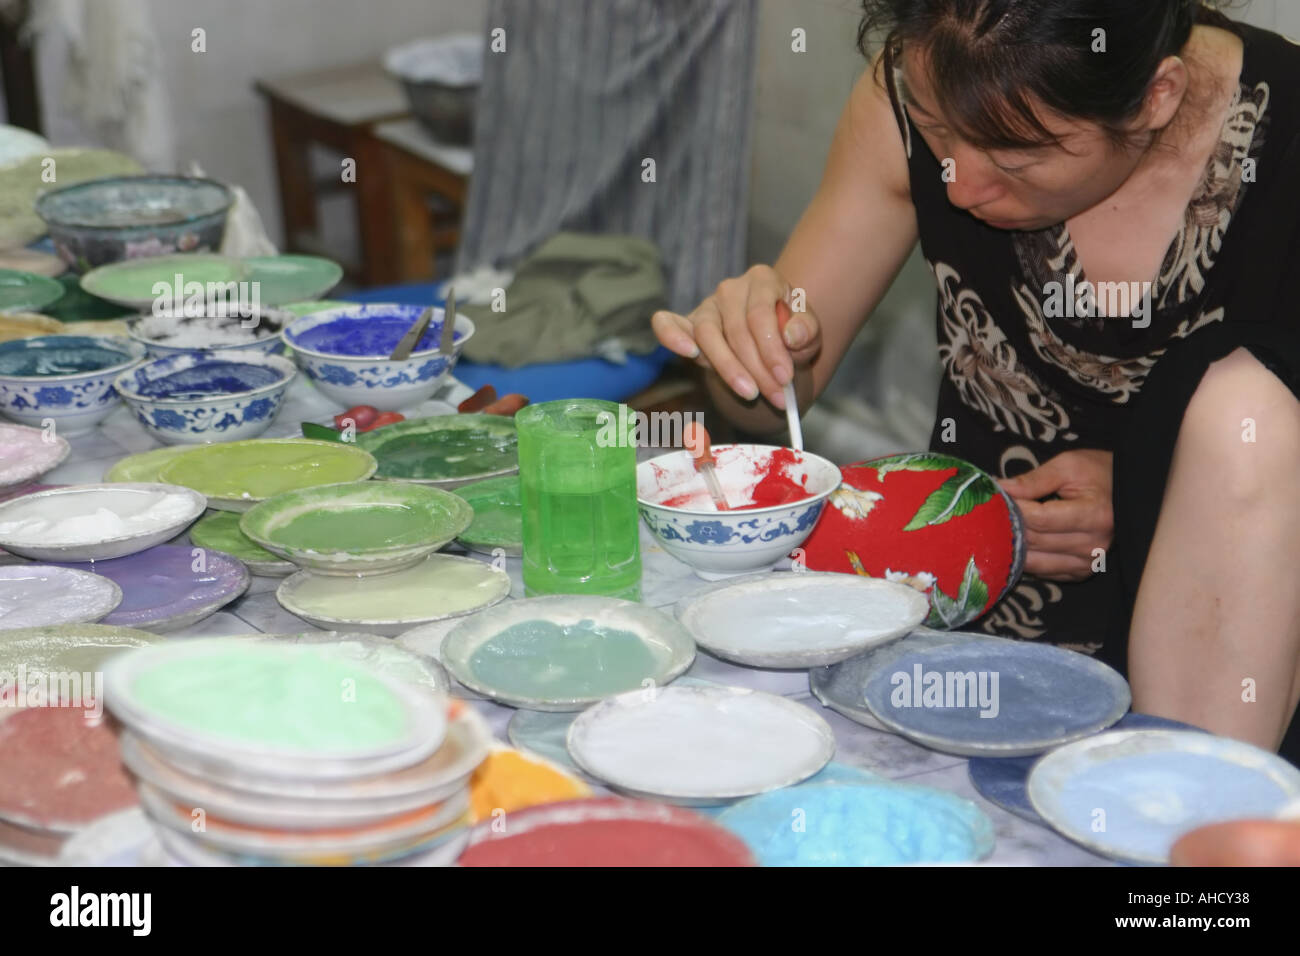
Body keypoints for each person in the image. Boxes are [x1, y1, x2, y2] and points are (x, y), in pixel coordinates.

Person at [652, 0, 1300, 764]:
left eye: (1017, 158)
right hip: (961, 638)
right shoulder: (910, 94)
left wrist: (1159, 487)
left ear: (1157, 97)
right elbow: (764, 414)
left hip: (1238, 667)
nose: (958, 187)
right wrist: (751, 353)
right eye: (935, 131)